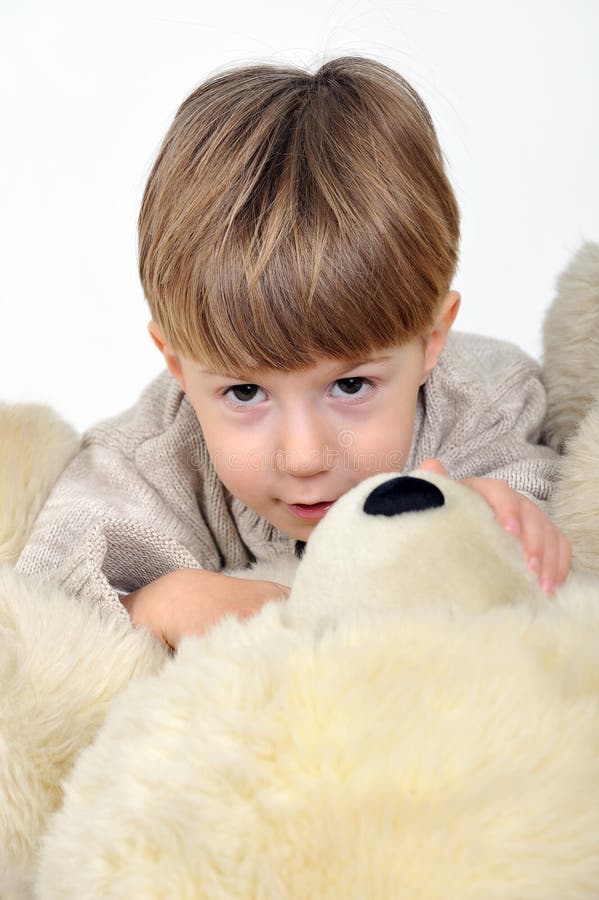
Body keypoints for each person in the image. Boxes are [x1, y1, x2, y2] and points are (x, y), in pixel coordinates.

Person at [16, 56, 571, 651]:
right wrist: (163, 600)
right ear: (177, 365)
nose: (304, 457)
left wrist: (496, 517)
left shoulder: (484, 399)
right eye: (245, 392)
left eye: (351, 386)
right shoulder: (154, 454)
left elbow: (558, 503)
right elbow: (39, 603)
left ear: (431, 341)